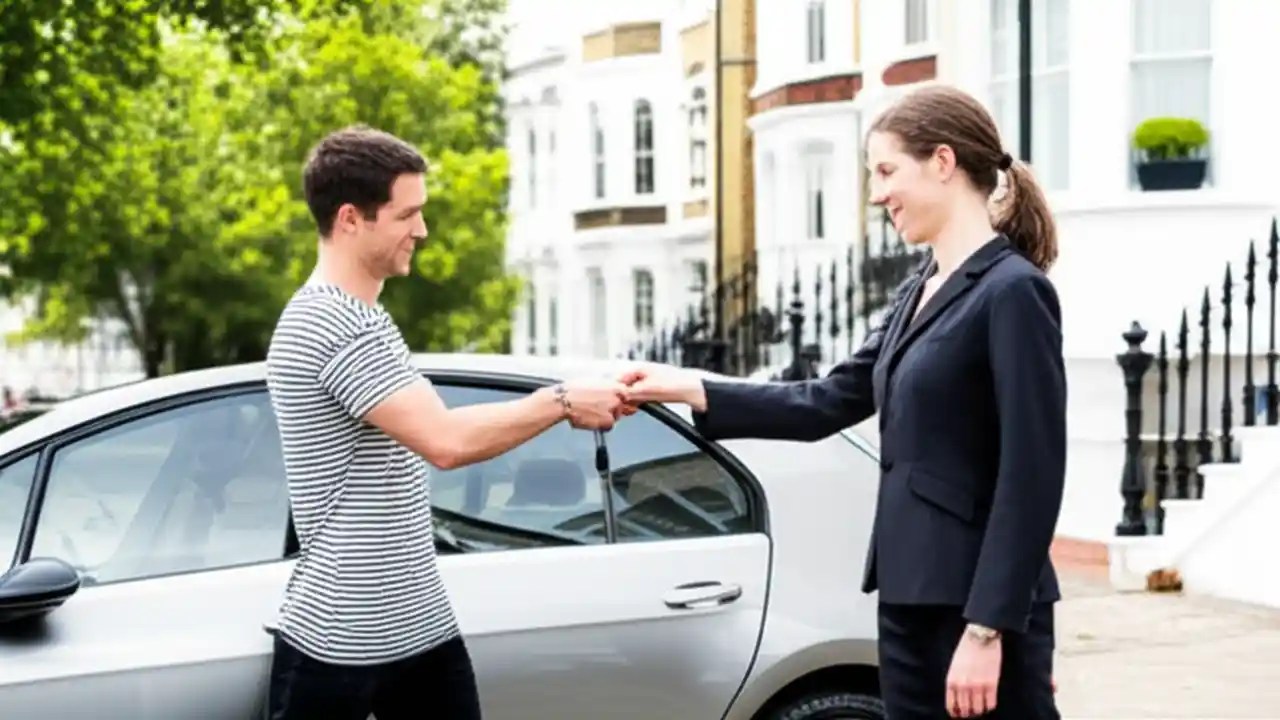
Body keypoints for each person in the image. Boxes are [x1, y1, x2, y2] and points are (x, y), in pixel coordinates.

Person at [620, 83, 1066, 720]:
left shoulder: (1013, 292)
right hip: (910, 599)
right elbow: (827, 401)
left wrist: (989, 630)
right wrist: (686, 388)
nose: (877, 193)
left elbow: (1033, 473)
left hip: (973, 610)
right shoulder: (920, 287)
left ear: (943, 163)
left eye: (887, 171)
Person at [263, 125, 629, 720]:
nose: (423, 230)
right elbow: (448, 442)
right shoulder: (330, 325)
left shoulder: (366, 318)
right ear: (351, 218)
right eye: (408, 214)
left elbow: (441, 421)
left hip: (417, 623)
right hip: (343, 643)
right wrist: (562, 402)